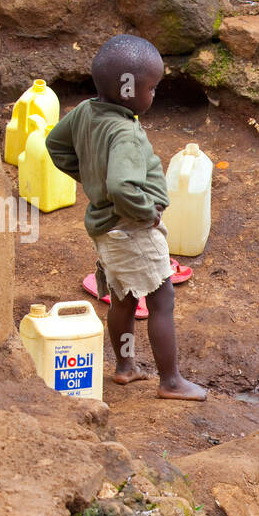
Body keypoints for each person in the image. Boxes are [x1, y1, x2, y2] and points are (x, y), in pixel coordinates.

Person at [45, 33, 206, 401]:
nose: (154, 95)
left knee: (123, 298)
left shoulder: (87, 111)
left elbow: (55, 144)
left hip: (105, 228)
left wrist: (88, 178)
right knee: (162, 300)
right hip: (132, 229)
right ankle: (171, 382)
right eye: (152, 88)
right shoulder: (126, 133)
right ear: (131, 92)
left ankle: (125, 366)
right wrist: (146, 212)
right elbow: (121, 186)